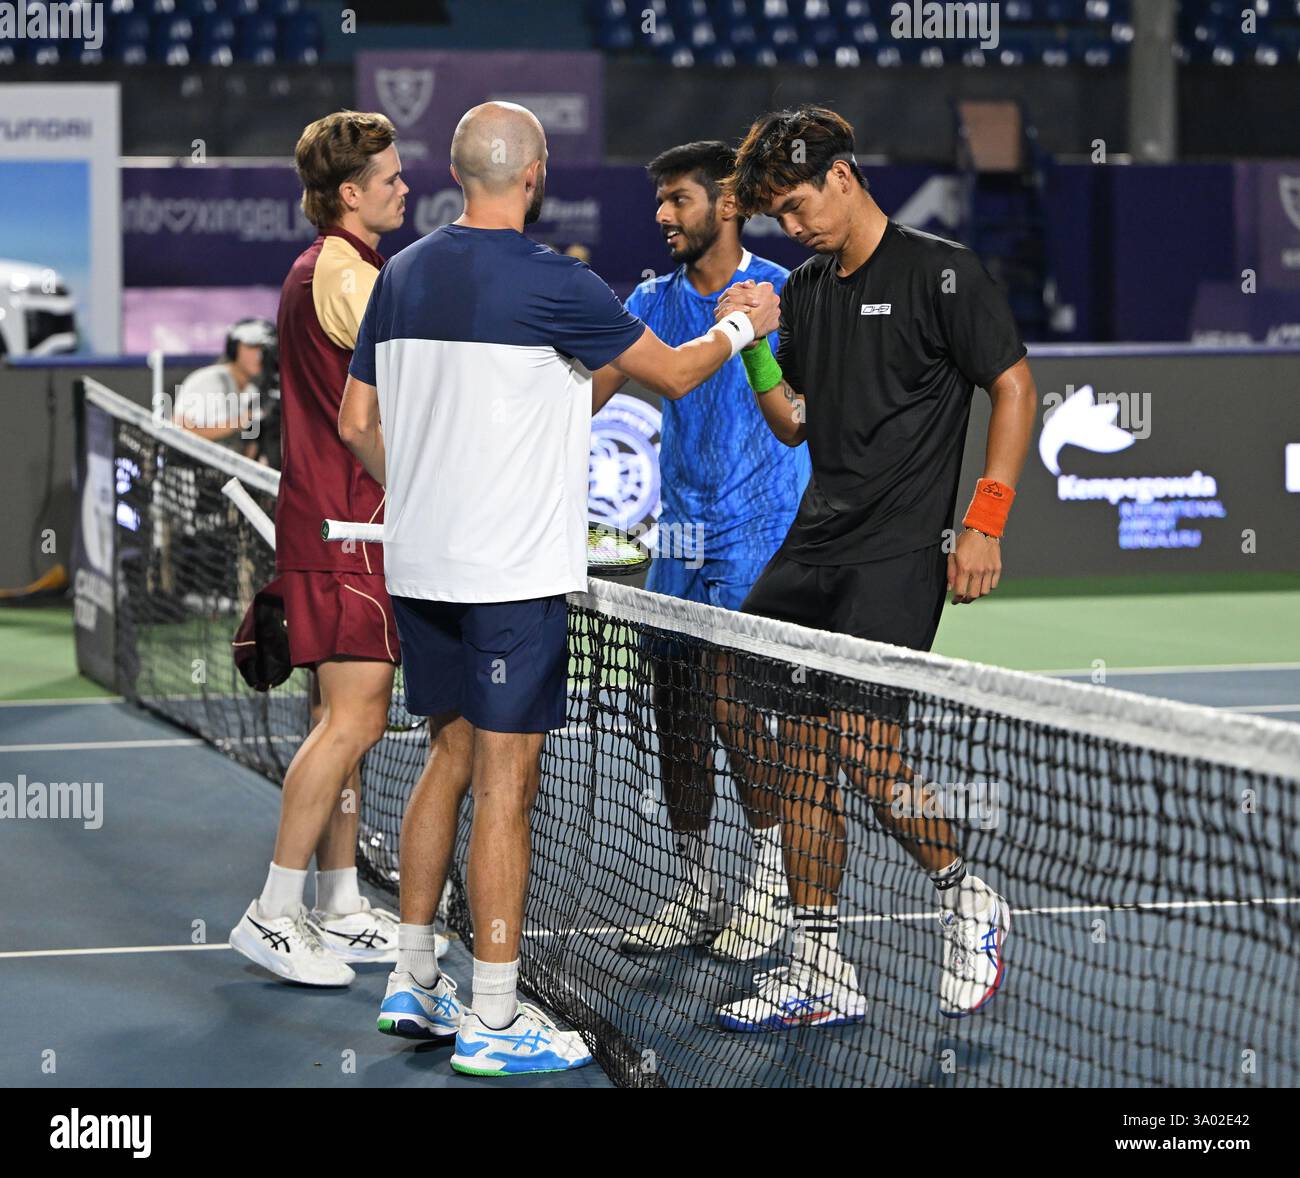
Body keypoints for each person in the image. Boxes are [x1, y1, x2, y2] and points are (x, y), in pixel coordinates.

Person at [338, 101, 780, 1075]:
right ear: (532, 174)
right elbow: (669, 373)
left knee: (445, 759)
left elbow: (355, 418)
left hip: (422, 566)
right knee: (506, 783)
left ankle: (414, 980)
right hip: (507, 576)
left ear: (460, 174)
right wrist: (741, 321)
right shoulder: (555, 281)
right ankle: (494, 1014)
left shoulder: (400, 274)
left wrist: (430, 486)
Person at [711, 105, 1037, 1030]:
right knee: (798, 756)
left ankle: (966, 892)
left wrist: (986, 520)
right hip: (815, 545)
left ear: (845, 177)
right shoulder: (809, 287)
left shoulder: (943, 272)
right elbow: (797, 421)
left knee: (862, 748)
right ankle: (820, 963)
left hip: (898, 550)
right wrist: (754, 350)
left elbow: (1012, 386)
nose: (792, 224)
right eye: (776, 213)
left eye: (799, 203)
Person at [228, 110, 448, 987]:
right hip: (350, 527)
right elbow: (405, 396)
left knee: (340, 722)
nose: (405, 187)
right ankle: (273, 913)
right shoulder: (345, 274)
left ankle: (339, 899)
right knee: (355, 720)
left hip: (341, 526)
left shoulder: (338, 267)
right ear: (350, 193)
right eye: (390, 178)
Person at [592, 141, 809, 962]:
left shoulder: (788, 292)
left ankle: (769, 883)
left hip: (760, 530)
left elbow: (803, 407)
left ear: (726, 203)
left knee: (734, 702)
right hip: (678, 536)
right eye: (659, 200)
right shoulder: (649, 298)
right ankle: (696, 887)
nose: (661, 216)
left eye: (677, 199)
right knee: (677, 712)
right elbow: (590, 391)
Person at [172, 318, 274, 458]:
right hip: (189, 471)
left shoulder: (255, 391)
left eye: (263, 348)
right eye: (252, 346)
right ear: (234, 348)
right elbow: (178, 432)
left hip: (226, 476)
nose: (259, 354)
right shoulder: (209, 380)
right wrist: (239, 422)